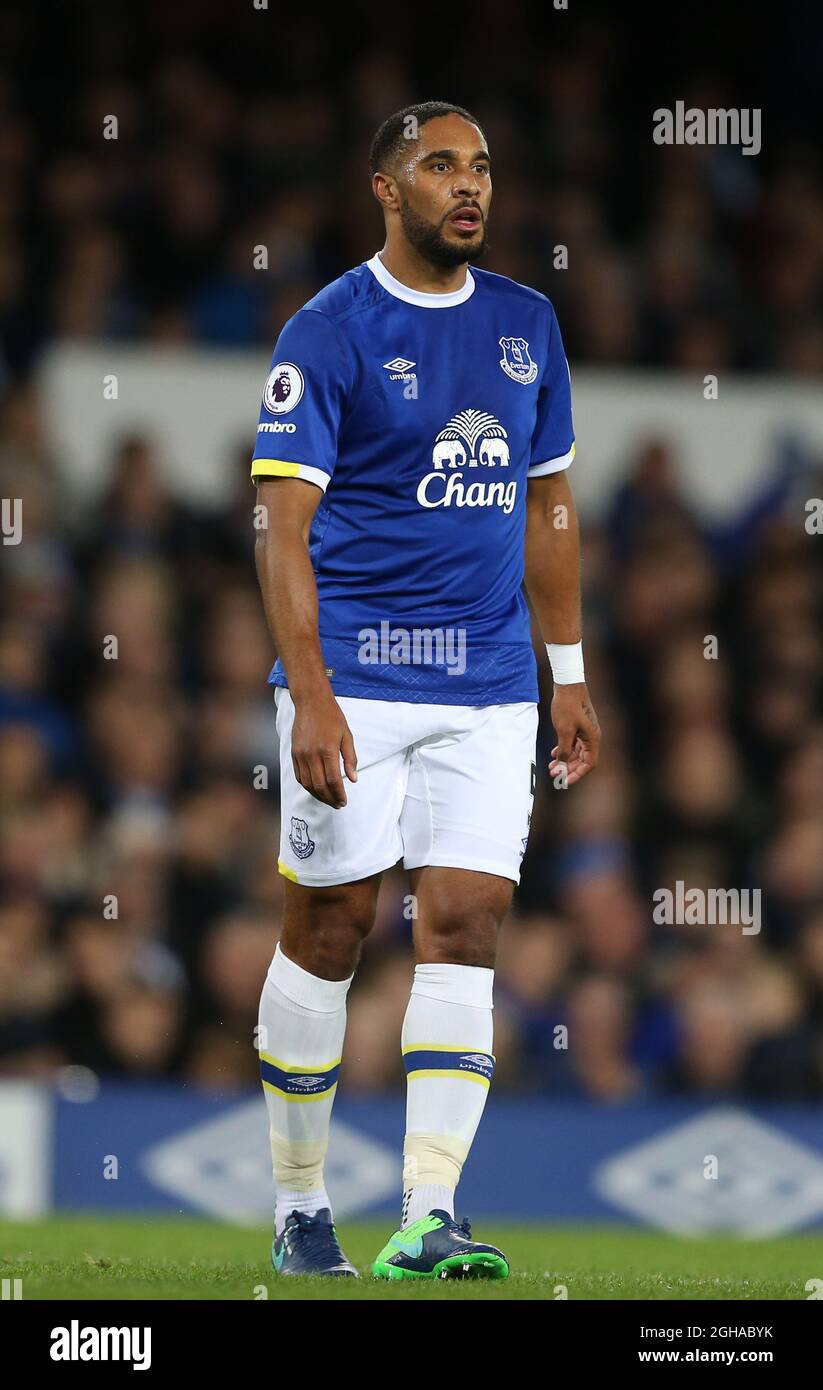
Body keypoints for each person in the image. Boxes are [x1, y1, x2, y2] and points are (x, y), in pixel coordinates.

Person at [251, 101, 600, 1280]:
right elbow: (279, 528)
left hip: (492, 682)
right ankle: (301, 1206)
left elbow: (548, 509)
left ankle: (426, 1214)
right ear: (386, 191)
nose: (470, 186)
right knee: (334, 926)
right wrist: (309, 690)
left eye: (483, 167)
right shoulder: (327, 328)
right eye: (440, 166)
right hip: (354, 671)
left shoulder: (526, 325)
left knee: (466, 922)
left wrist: (569, 675)